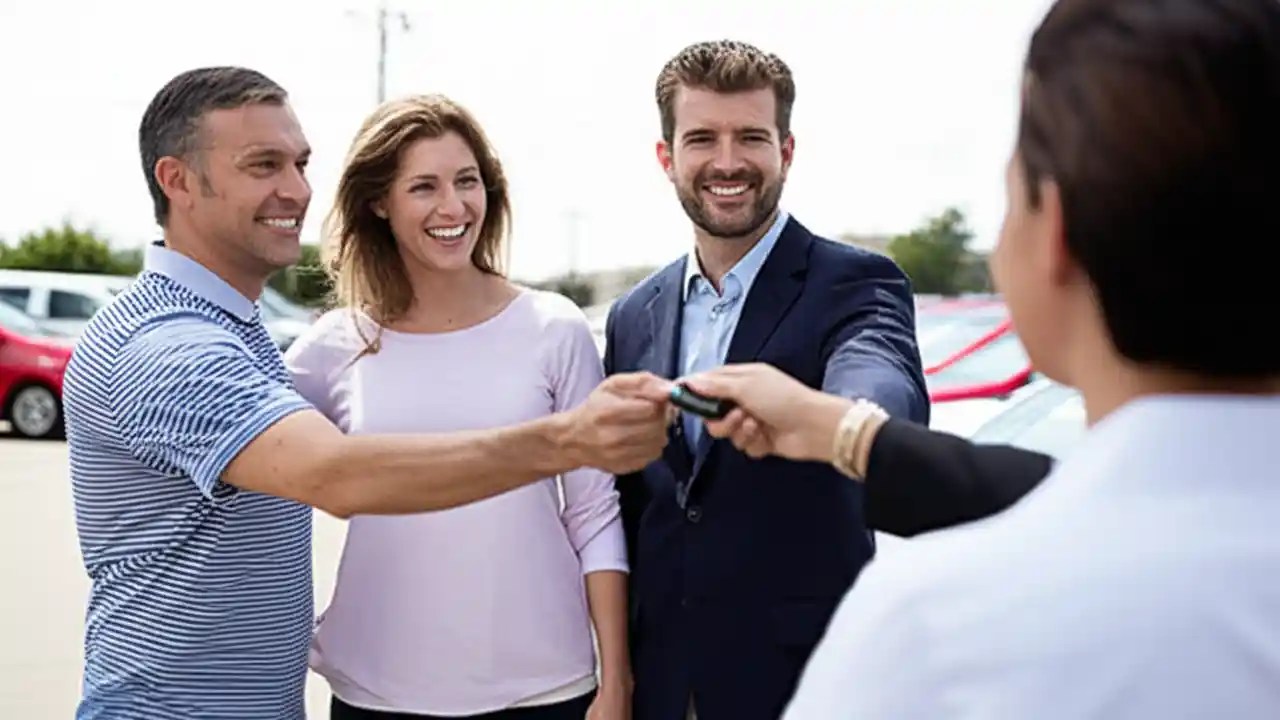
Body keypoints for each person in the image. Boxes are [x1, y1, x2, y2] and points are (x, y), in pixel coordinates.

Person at [692, 0, 1280, 716]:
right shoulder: (641, 310)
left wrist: (843, 420)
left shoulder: (934, 630)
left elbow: (879, 376)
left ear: (1054, 229)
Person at [62, 67, 670, 720]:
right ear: (177, 181)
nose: (295, 190)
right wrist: (566, 439)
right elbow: (335, 475)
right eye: (263, 165)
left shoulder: (236, 333)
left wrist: (615, 676)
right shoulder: (169, 347)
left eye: (300, 163)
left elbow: (588, 515)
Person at [602, 40, 929, 720]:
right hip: (664, 688)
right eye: (702, 139)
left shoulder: (855, 282)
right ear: (667, 158)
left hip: (803, 685)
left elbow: (878, 380)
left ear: (786, 149)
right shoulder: (635, 316)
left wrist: (822, 416)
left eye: (750, 137)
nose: (727, 162)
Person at [283, 94, 632, 720]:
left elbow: (594, 514)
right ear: (379, 203)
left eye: (467, 181)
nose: (453, 207)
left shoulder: (553, 327)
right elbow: (265, 477)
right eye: (424, 186)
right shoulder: (337, 345)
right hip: (376, 693)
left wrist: (618, 682)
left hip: (545, 691)